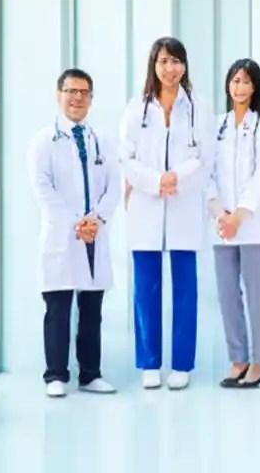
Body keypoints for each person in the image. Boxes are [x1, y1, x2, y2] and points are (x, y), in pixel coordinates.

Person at [119, 37, 213, 391]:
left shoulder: (200, 107)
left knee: (186, 288)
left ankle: (182, 363)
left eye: (176, 61)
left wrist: (177, 179)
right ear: (153, 66)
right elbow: (126, 158)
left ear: (185, 66)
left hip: (184, 203)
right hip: (146, 203)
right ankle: (149, 362)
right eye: (163, 61)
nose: (170, 68)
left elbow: (206, 157)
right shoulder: (136, 108)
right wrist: (157, 180)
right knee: (146, 288)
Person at [27, 68, 120, 398]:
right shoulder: (43, 142)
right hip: (61, 236)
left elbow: (114, 186)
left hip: (94, 234)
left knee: (92, 310)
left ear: (91, 98)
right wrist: (74, 223)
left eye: (84, 92)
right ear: (59, 95)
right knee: (58, 308)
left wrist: (97, 220)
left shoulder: (103, 140)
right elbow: (43, 189)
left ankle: (90, 374)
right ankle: (56, 374)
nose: (77, 97)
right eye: (71, 91)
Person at [207, 59, 260, 389]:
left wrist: (239, 214)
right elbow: (206, 172)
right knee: (227, 294)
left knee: (257, 293)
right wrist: (218, 211)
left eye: (245, 82)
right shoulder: (216, 126)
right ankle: (238, 358)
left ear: (255, 87)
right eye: (235, 81)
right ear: (228, 85)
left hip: (252, 222)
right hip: (221, 222)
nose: (239, 87)